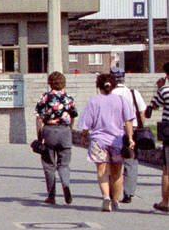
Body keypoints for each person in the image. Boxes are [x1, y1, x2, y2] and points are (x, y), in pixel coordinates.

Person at [77, 73, 137, 212]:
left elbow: (86, 123)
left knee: (102, 171)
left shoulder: (93, 101)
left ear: (98, 86)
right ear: (113, 85)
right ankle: (115, 201)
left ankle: (105, 197)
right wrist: (130, 137)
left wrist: (84, 136)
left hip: (98, 140)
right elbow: (128, 120)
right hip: (117, 140)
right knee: (117, 172)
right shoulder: (121, 100)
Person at [34, 70, 77, 204]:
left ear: (50, 83)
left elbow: (39, 118)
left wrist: (39, 136)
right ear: (63, 83)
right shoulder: (69, 98)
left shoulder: (45, 97)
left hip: (49, 131)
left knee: (49, 165)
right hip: (65, 132)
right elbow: (73, 116)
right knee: (64, 164)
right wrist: (69, 129)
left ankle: (51, 195)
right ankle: (65, 184)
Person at [110, 67, 149, 204]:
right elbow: (142, 111)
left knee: (114, 161)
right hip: (131, 129)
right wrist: (138, 126)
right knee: (131, 161)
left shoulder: (109, 93)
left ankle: (113, 191)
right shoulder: (133, 93)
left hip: (114, 131)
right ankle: (129, 192)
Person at [148, 63, 169, 213]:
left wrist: (160, 88)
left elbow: (153, 106)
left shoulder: (165, 91)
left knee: (167, 169)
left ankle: (165, 202)